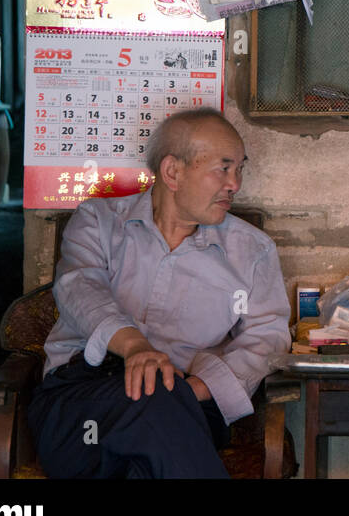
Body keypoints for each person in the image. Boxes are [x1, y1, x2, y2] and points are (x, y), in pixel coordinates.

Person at [28, 109, 290, 478]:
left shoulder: (252, 251)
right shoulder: (98, 222)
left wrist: (200, 388)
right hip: (83, 396)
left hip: (186, 399)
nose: (235, 183)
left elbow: (268, 336)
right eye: (223, 168)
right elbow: (79, 288)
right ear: (172, 172)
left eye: (240, 169)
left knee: (157, 411)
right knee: (151, 431)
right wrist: (135, 347)